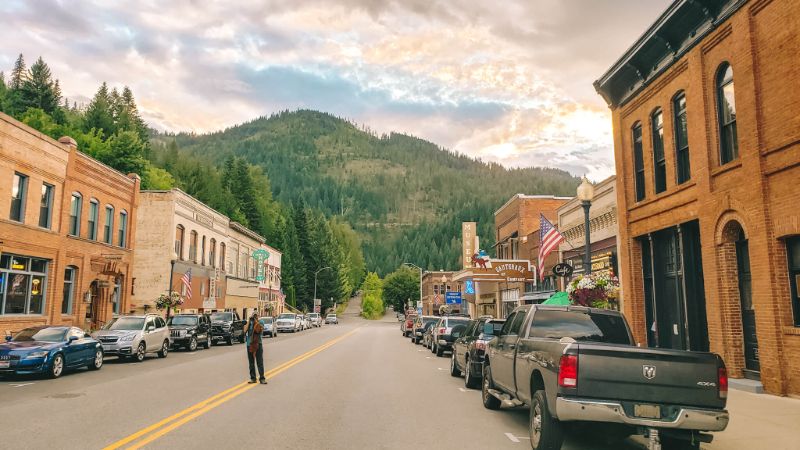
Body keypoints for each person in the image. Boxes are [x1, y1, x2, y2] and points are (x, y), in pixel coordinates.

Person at [243, 311, 266, 384]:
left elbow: (258, 330)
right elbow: (244, 330)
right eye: (254, 315)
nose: (254, 317)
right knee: (251, 362)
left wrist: (256, 320)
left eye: (256, 315)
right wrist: (249, 321)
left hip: (258, 344)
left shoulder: (261, 321)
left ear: (258, 316)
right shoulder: (249, 322)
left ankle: (262, 378)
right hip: (249, 344)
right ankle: (253, 378)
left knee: (260, 362)